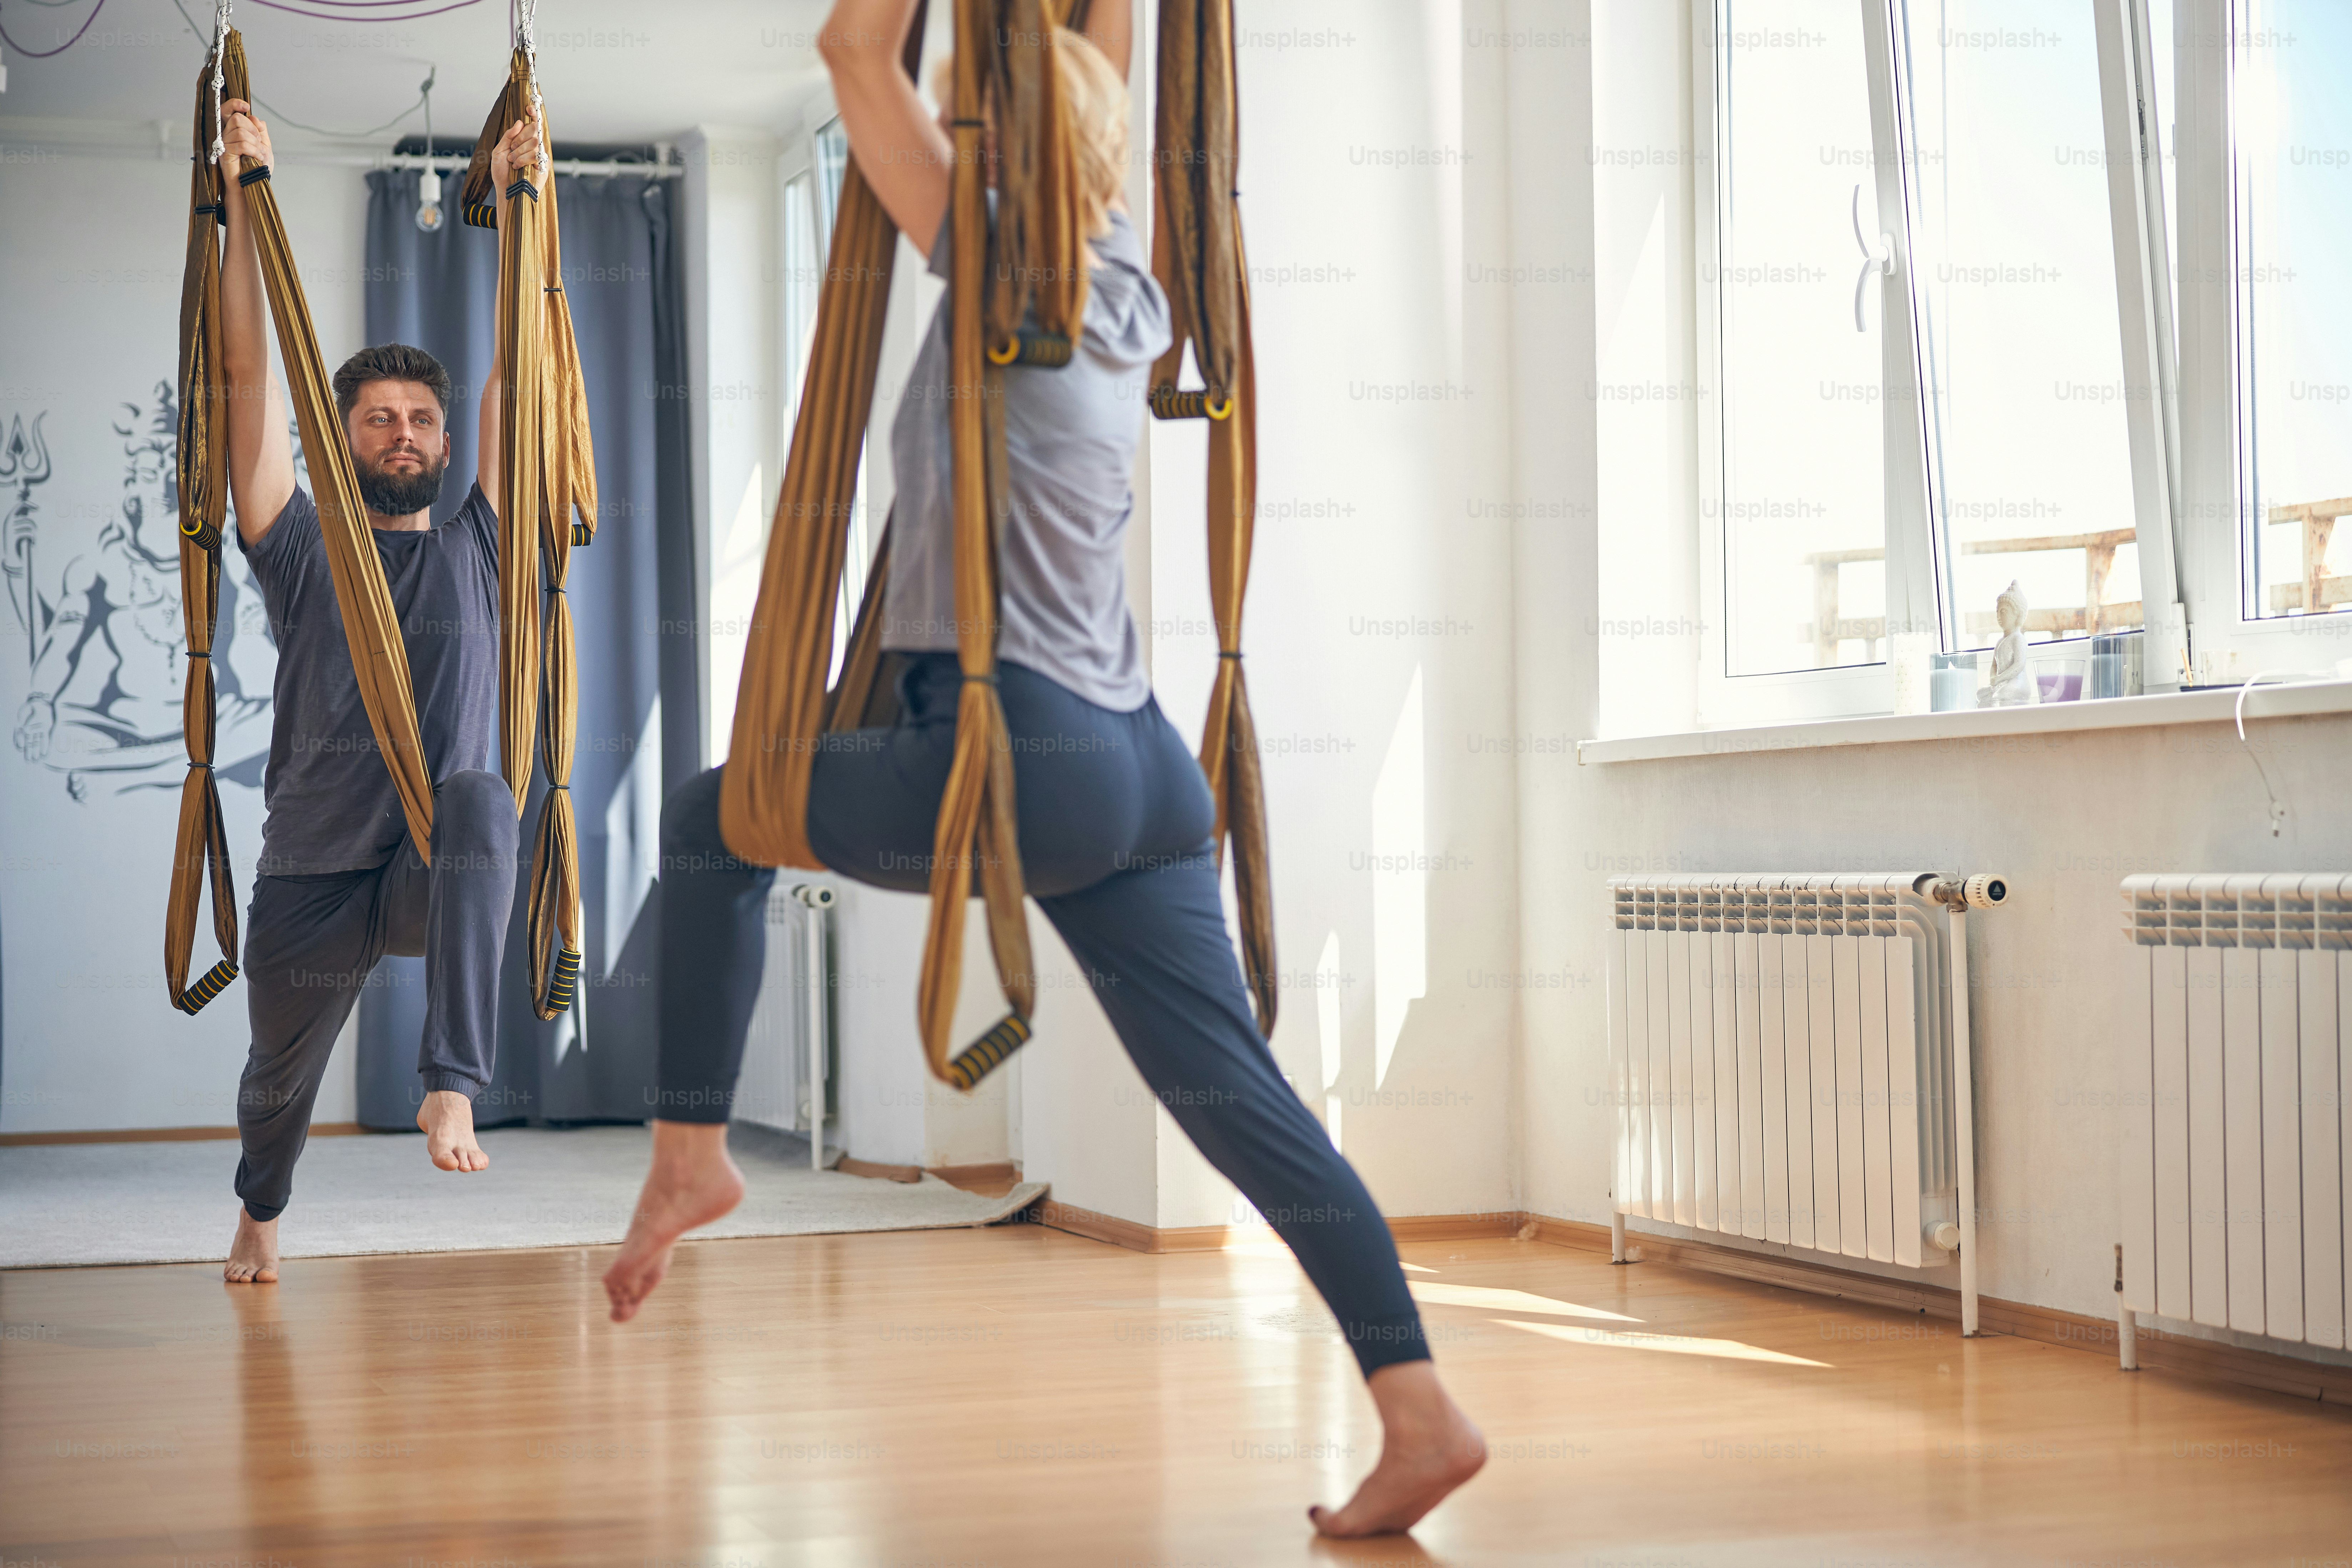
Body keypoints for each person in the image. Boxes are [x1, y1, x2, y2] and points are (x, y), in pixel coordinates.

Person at [600, 0, 1485, 1538]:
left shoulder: (1007, 262)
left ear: (1000, 141)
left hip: (1027, 755)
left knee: (710, 817)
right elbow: (1095, 64)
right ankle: (1421, 1409)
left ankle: (689, 1153)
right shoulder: (1132, 272)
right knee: (1240, 1098)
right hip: (1139, 771)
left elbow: (851, 57)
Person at [215, 99, 543, 1285]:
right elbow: (251, 376)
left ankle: (450, 1080)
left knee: (484, 801)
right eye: (375, 418)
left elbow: (521, 377)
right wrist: (247, 200)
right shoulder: (300, 547)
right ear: (343, 438)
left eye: (419, 421)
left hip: (424, 867)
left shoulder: (479, 542)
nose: (401, 432)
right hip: (311, 867)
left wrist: (519, 208)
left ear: (447, 446)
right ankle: (260, 1209)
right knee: (274, 1092)